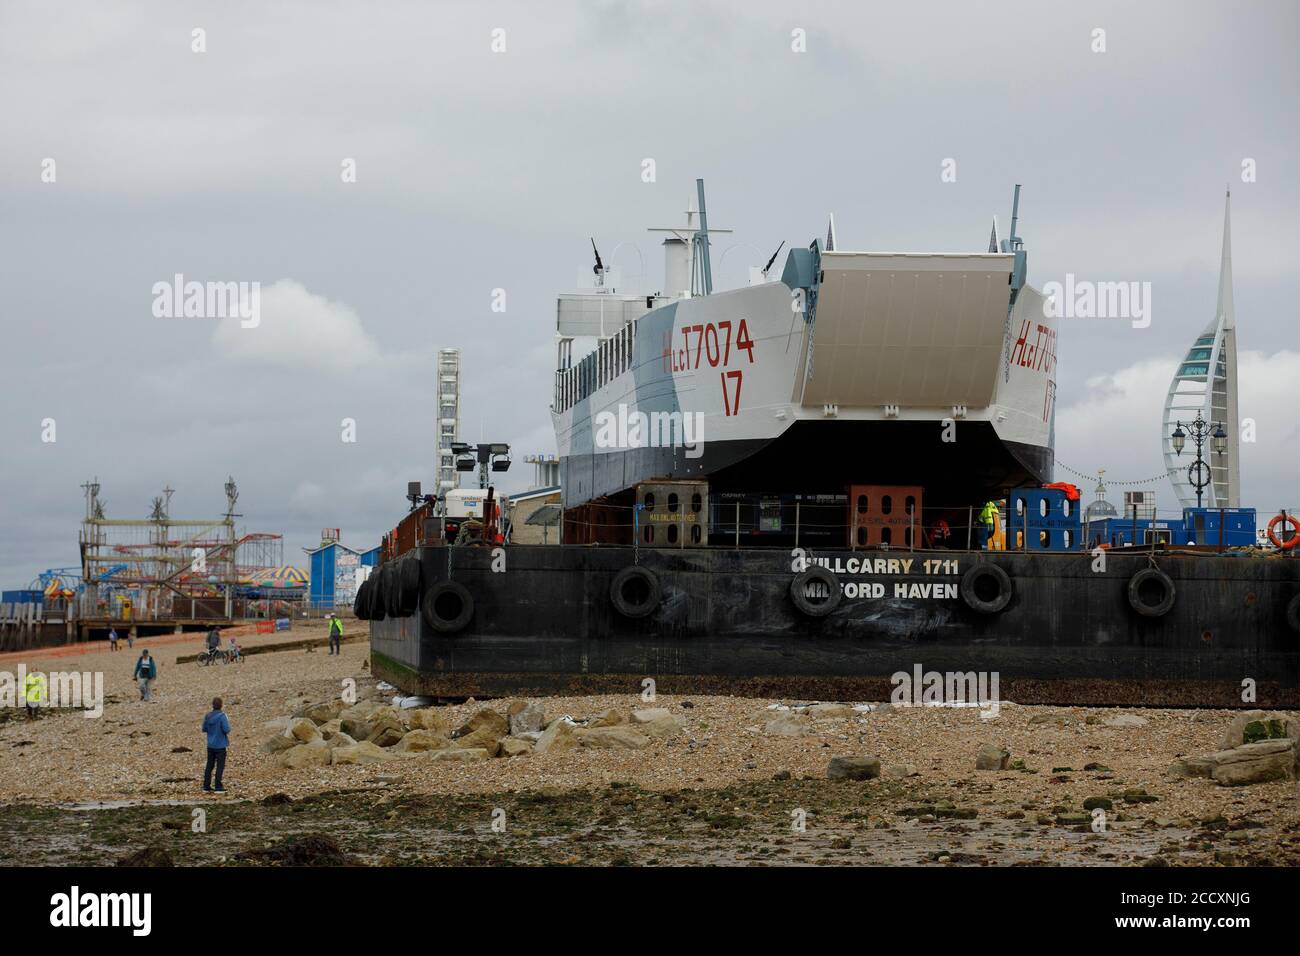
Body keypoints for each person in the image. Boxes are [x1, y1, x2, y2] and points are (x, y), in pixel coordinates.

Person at [201, 697, 230, 794]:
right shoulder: (222, 716)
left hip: (210, 745)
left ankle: (206, 786)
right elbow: (227, 729)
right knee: (220, 766)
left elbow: (204, 729)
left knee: (209, 765)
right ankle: (218, 786)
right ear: (221, 705)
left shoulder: (207, 716)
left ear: (212, 705)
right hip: (220, 745)